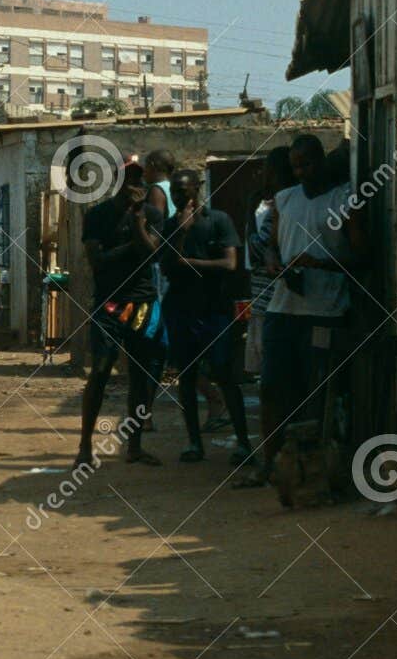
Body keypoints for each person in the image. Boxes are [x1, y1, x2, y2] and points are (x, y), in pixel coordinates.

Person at [253, 133, 368, 483]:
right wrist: (275, 264)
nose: (302, 172)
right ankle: (271, 464)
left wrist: (320, 263)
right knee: (272, 388)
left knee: (319, 393)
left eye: (308, 164)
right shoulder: (285, 199)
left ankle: (319, 468)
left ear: (321, 161)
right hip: (283, 308)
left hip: (325, 312)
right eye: (296, 166)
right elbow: (271, 248)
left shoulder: (345, 199)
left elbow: (362, 256)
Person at [76, 161, 164, 467]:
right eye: (129, 178)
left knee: (140, 376)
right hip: (110, 305)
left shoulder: (151, 215)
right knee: (100, 371)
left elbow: (153, 255)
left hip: (142, 305)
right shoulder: (98, 216)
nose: (135, 184)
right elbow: (97, 262)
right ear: (116, 180)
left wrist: (139, 223)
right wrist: (133, 246)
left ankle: (135, 446)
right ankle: (85, 447)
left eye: (139, 178)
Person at [161, 168, 252, 464]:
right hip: (181, 309)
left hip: (215, 309)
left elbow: (230, 263)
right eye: (174, 192)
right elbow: (167, 265)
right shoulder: (170, 226)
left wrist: (191, 263)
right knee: (186, 377)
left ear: (197, 189)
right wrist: (182, 232)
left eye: (184, 192)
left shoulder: (219, 220)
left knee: (225, 374)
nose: (179, 198)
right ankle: (194, 443)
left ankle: (243, 444)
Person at [245, 147, 295, 378]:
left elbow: (259, 247)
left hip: (273, 296)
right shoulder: (276, 203)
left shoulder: (281, 204)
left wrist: (249, 217)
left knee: (272, 367)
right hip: (265, 294)